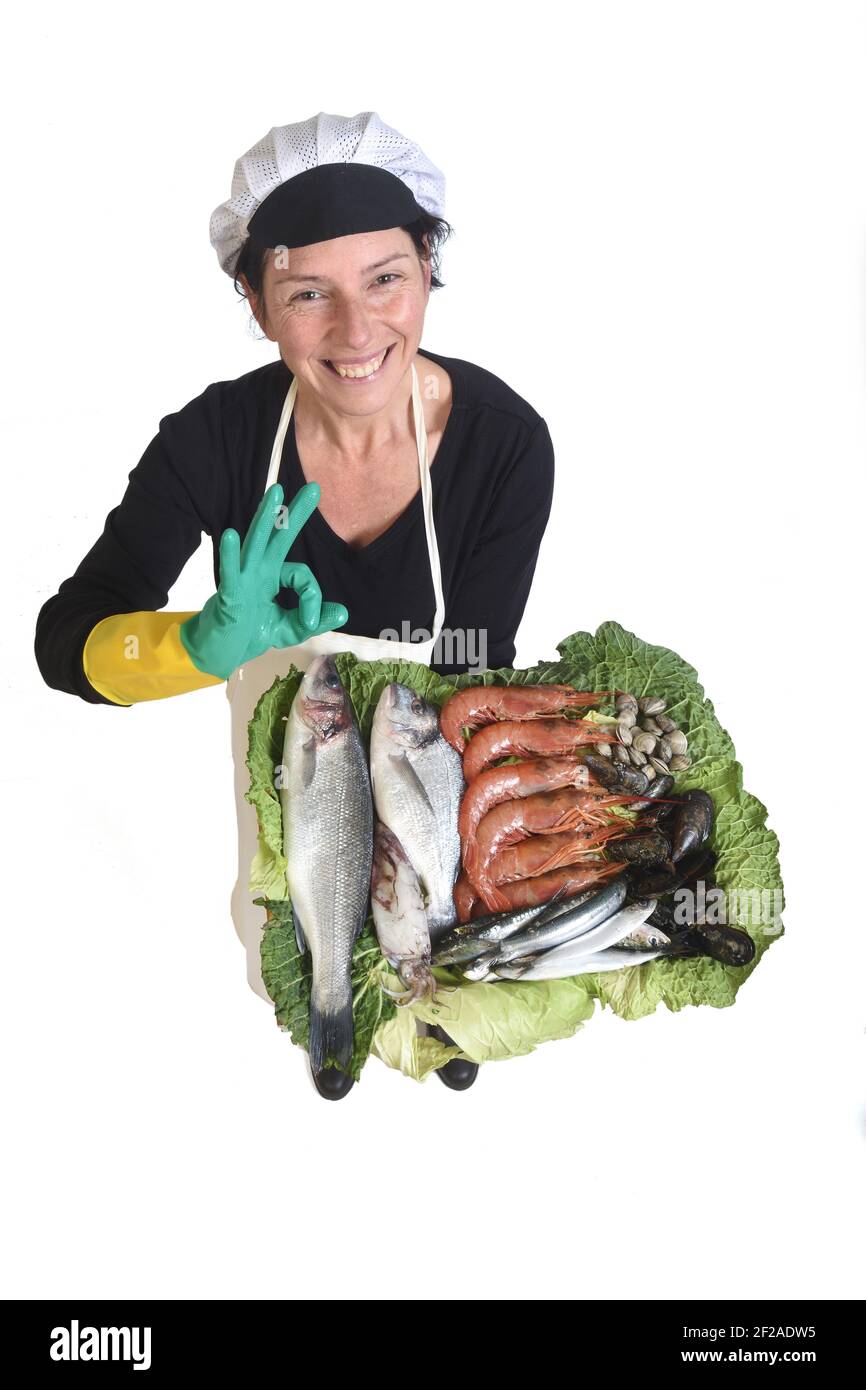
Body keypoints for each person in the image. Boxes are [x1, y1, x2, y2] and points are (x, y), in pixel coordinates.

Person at [34, 110, 555, 1101]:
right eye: (307, 292)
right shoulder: (213, 444)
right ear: (255, 300)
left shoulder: (503, 446)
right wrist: (194, 643)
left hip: (426, 810)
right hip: (289, 829)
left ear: (427, 271)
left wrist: (447, 915)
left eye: (386, 280)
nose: (357, 334)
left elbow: (475, 662)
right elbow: (66, 640)